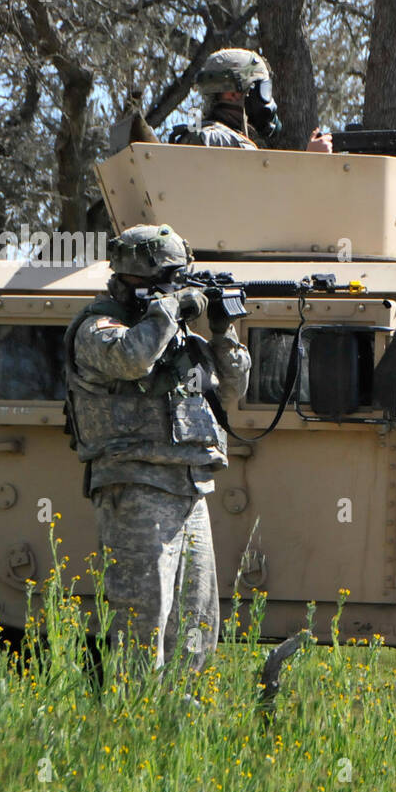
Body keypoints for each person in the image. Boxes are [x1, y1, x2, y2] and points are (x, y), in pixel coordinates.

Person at [63, 223, 251, 674]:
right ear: (135, 281)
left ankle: (179, 725)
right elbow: (131, 358)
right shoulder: (98, 328)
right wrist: (170, 309)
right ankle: (131, 726)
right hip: (135, 486)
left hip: (190, 489)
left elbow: (233, 388)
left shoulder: (178, 338)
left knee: (196, 621)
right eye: (169, 280)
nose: (180, 290)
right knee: (142, 621)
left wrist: (223, 332)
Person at [169, 47, 332, 153]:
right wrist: (313, 162)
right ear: (232, 94)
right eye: (264, 90)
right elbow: (269, 202)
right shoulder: (219, 142)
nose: (269, 101)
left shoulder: (200, 138)